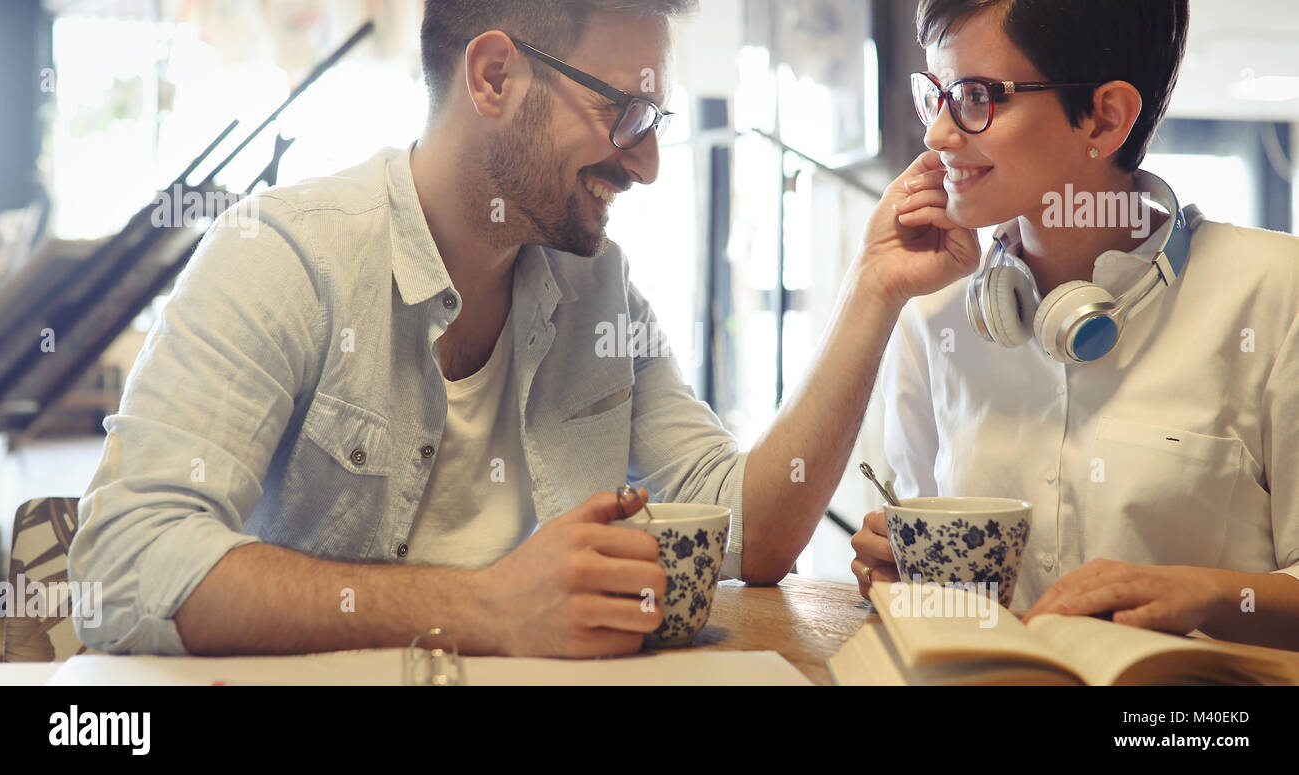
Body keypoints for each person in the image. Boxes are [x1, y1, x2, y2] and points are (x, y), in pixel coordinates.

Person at [68, 0, 977, 657]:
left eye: (654, 119)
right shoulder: (283, 256)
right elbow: (126, 560)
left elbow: (753, 531)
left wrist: (873, 292)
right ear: (494, 75)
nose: (651, 163)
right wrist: (486, 605)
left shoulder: (597, 288)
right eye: (627, 112)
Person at [851, 0, 1299, 651]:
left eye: (976, 96)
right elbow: (927, 591)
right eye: (938, 95)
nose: (938, 135)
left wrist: (1207, 593)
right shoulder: (933, 317)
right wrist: (902, 572)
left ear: (1105, 116)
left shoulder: (1276, 293)